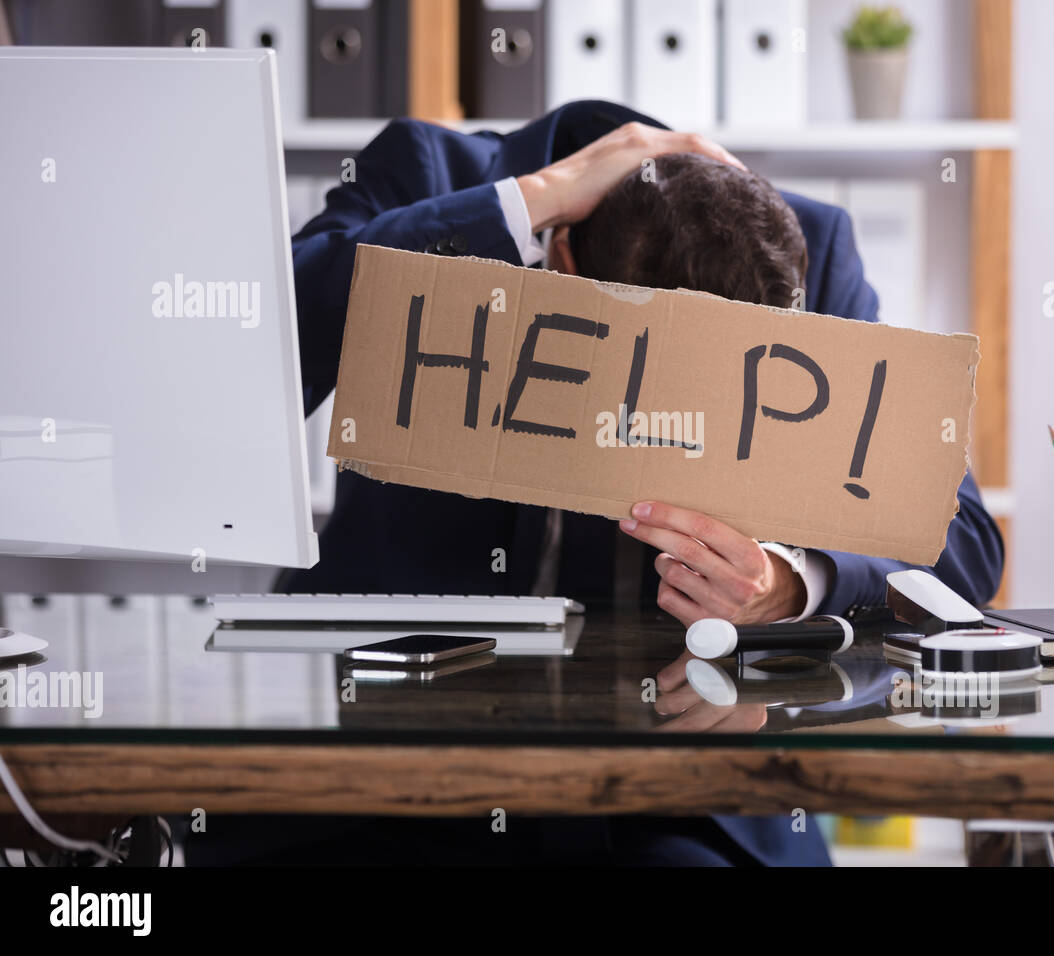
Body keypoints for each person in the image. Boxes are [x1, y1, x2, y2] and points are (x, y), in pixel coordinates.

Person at [190, 100, 1002, 867]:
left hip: (670, 799)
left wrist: (790, 585)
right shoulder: (431, 177)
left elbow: (957, 538)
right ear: (566, 259)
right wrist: (523, 205)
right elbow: (243, 357)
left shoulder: (801, 253)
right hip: (390, 776)